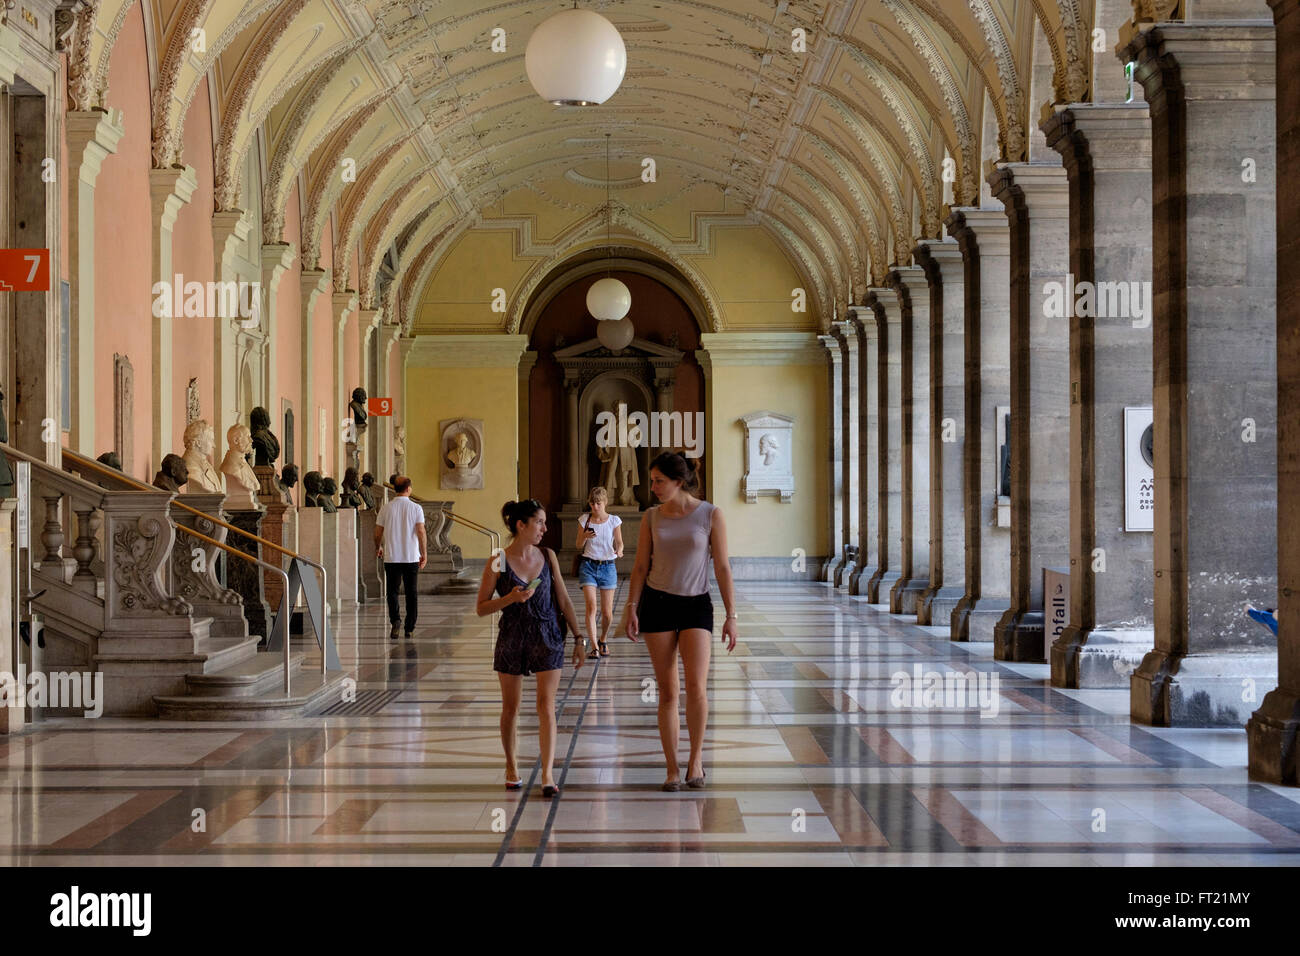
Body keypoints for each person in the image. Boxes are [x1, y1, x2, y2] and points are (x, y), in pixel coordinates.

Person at [625, 452, 738, 792]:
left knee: (696, 688)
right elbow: (641, 567)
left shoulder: (710, 514)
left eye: (659, 480)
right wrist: (631, 606)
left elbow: (721, 567)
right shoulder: (651, 517)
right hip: (657, 604)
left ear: (679, 481)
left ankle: (696, 760)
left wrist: (732, 616)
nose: (653, 486)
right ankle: (672, 768)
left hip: (696, 605)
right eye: (653, 480)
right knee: (668, 691)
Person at [476, 499, 586, 797]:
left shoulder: (548, 556)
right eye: (539, 522)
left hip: (548, 634)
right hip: (512, 636)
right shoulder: (498, 560)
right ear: (520, 525)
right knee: (510, 708)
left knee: (546, 706)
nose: (544, 528)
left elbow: (563, 600)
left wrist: (579, 638)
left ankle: (548, 773)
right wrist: (510, 598)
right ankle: (511, 767)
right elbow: (482, 608)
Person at [374, 475, 427, 640]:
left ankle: (395, 621)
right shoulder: (416, 508)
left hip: (392, 556)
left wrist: (379, 546)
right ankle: (409, 628)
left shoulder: (386, 508)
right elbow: (421, 531)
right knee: (411, 592)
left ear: (394, 490)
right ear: (409, 489)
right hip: (411, 556)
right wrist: (424, 553)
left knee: (392, 592)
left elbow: (377, 532)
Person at [574, 486, 623, 658]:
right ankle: (594, 646)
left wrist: (620, 550)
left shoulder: (614, 521)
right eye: (592, 503)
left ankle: (603, 639)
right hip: (588, 565)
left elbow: (619, 542)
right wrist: (585, 537)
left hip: (608, 566)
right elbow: (578, 545)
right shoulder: (584, 519)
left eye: (598, 504)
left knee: (607, 613)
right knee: (591, 607)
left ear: (605, 503)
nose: (595, 507)